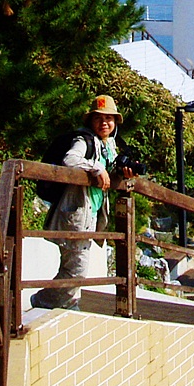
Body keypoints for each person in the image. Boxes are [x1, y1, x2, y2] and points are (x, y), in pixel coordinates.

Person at [30, 95, 134, 310]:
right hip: (75, 213)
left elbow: (110, 177)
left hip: (89, 214)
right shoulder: (83, 140)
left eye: (109, 118)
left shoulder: (109, 145)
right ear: (90, 121)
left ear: (115, 122)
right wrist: (96, 168)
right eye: (99, 118)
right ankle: (49, 302)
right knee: (77, 268)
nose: (104, 123)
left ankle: (60, 303)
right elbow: (70, 159)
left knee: (73, 266)